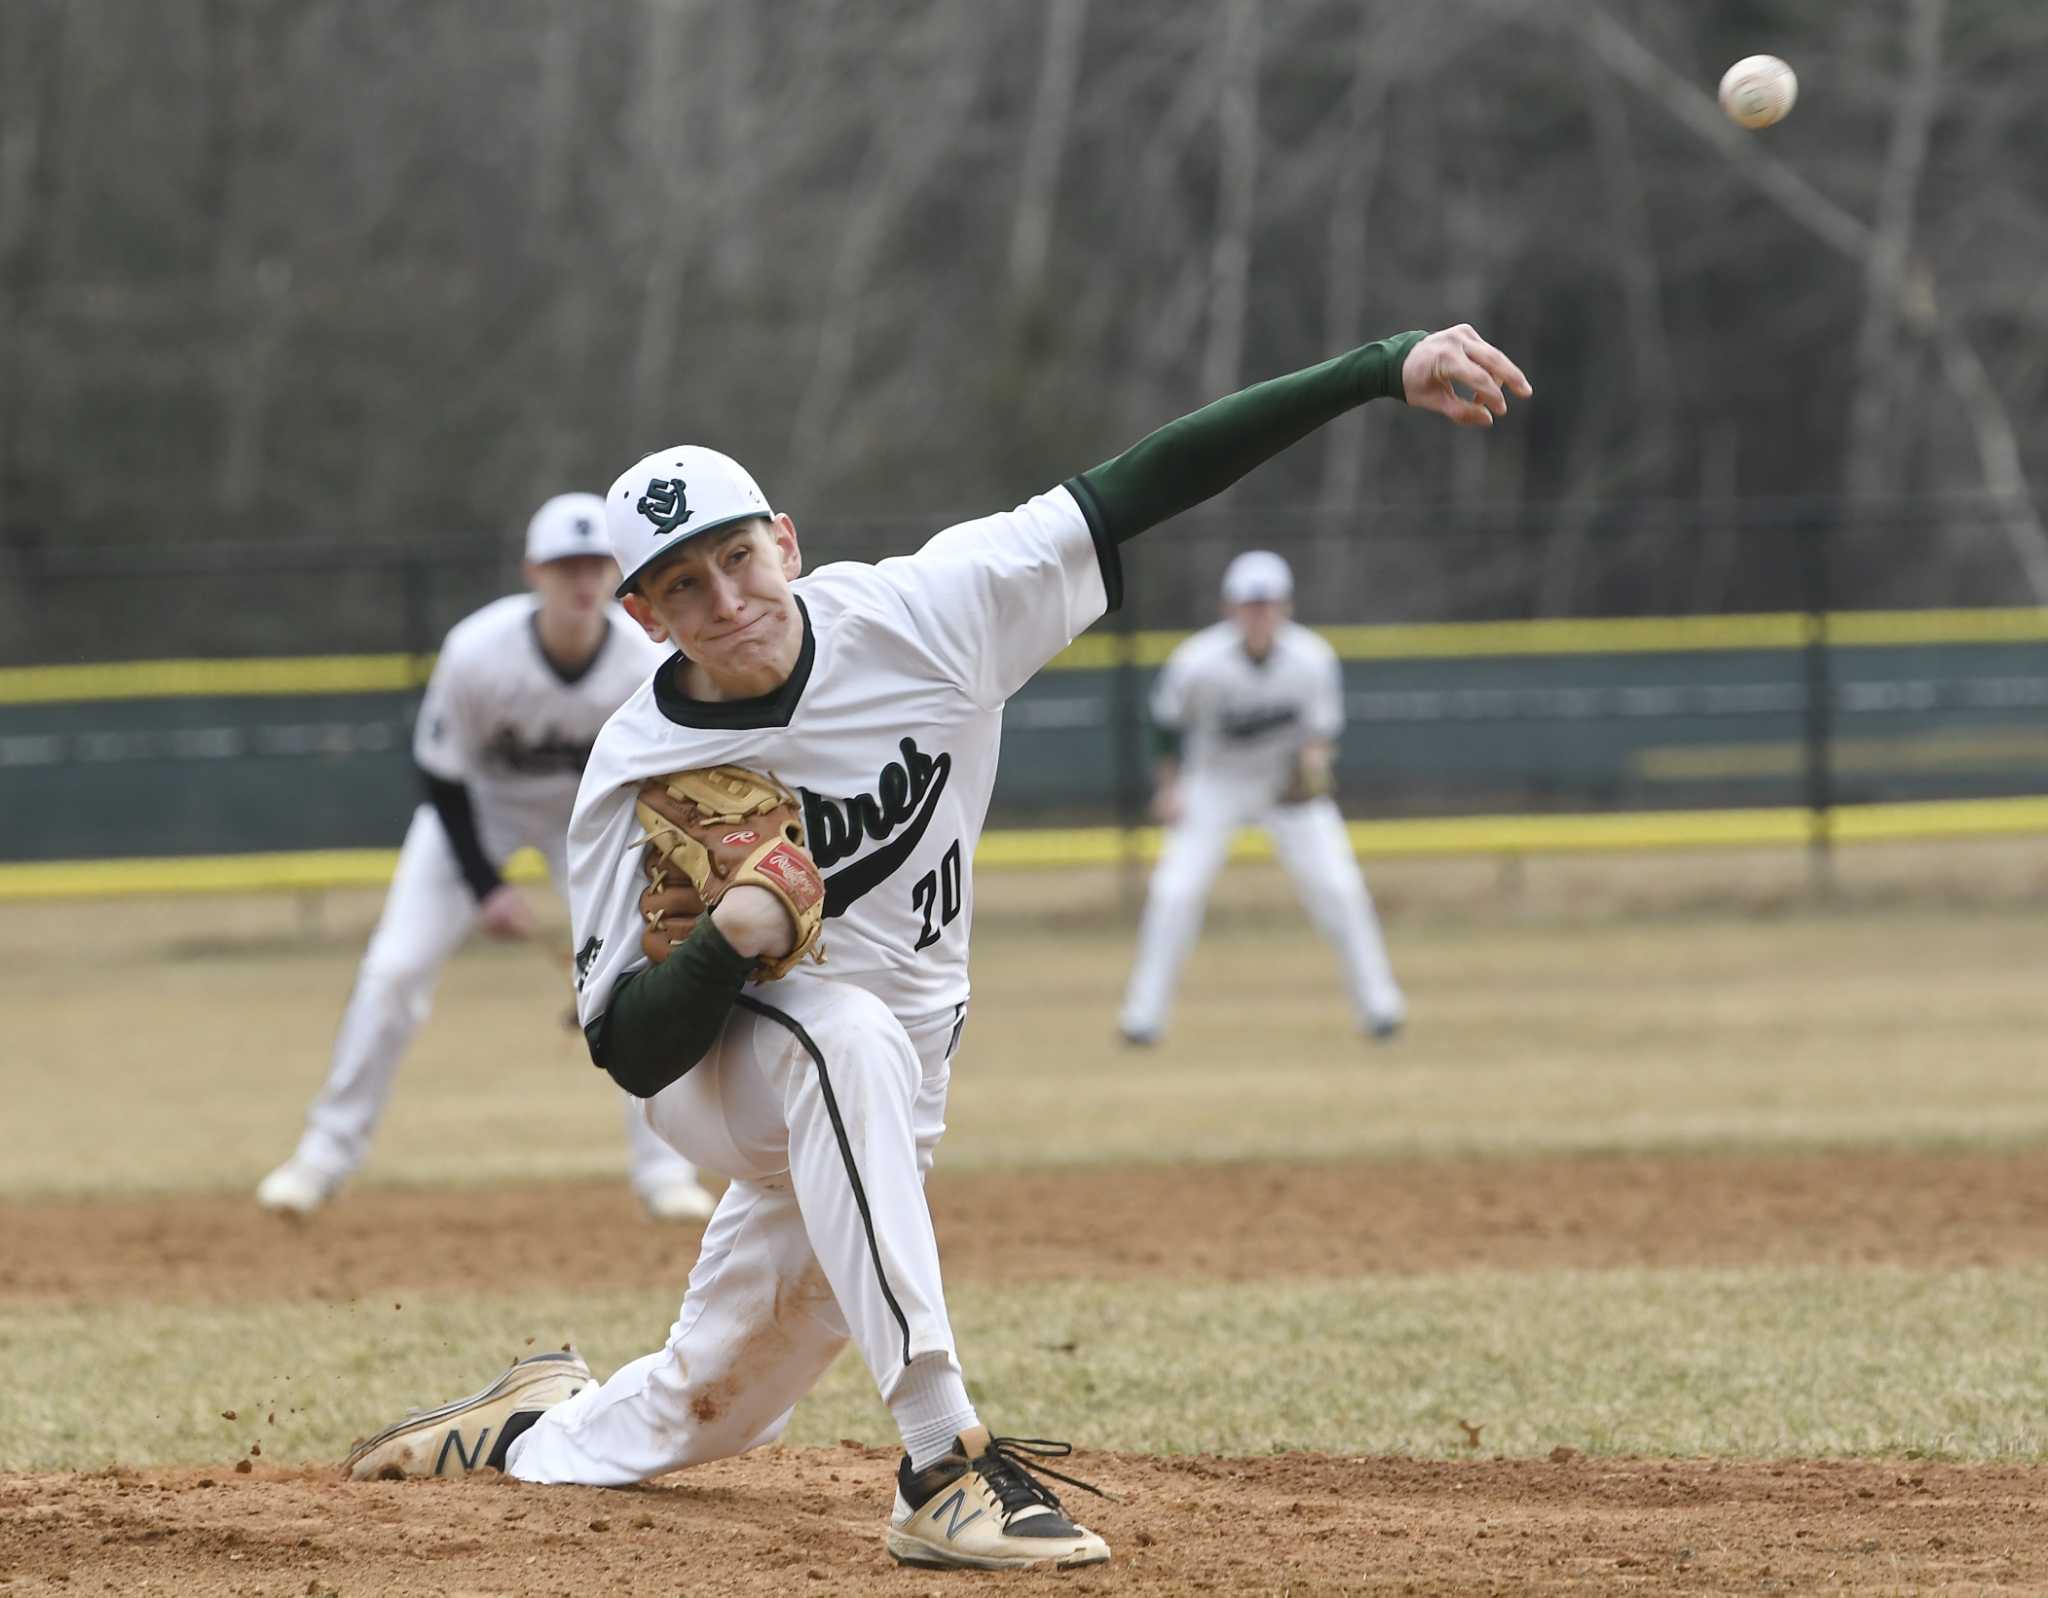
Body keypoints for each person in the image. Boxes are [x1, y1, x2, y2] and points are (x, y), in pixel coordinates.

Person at [341, 325, 1530, 1572]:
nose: (726, 599)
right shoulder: (637, 765)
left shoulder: (932, 612)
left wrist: (1375, 369)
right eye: (682, 586)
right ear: (641, 613)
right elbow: (626, 1050)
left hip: (890, 1087)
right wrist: (728, 949)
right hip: (722, 1077)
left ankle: (533, 1425)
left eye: (738, 558)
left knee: (714, 1406)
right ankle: (941, 1462)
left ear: (785, 541)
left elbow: (1144, 480)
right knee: (838, 1023)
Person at [255, 494, 718, 1223]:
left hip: (590, 822)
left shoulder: (643, 658)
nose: (582, 580)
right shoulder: (478, 650)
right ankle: (322, 1158)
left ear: (620, 573)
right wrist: (485, 885)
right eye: (566, 565)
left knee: (646, 973)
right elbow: (442, 774)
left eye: (597, 564)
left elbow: (665, 778)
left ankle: (666, 1172)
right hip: (478, 813)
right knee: (394, 970)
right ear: (534, 570)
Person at [1118, 548, 1405, 1046]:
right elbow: (1165, 724)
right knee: (1174, 894)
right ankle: (1142, 1018)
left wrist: (1314, 765)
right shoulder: (1198, 661)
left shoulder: (1312, 659)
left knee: (1341, 889)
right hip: (1214, 782)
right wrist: (1168, 789)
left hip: (1284, 786)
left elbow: (1320, 732)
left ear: (1285, 606)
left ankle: (1381, 1007)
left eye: (1268, 603)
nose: (1260, 613)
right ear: (1230, 608)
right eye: (1250, 604)